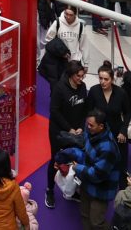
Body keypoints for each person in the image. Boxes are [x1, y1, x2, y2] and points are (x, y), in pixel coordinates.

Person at [59, 110, 120, 230]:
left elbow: (97, 174)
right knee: (85, 215)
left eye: (91, 125)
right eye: (87, 124)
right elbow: (85, 149)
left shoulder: (108, 148)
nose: (87, 127)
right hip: (86, 183)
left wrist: (77, 167)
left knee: (97, 223)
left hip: (101, 189)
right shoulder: (90, 132)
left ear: (101, 126)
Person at [46, 60, 88, 209]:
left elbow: (85, 109)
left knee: (75, 160)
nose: (81, 79)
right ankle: (50, 189)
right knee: (56, 160)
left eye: (82, 76)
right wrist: (69, 128)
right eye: (78, 76)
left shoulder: (83, 87)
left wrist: (80, 127)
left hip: (76, 131)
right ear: (71, 75)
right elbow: (54, 111)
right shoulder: (59, 88)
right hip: (59, 132)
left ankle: (71, 188)